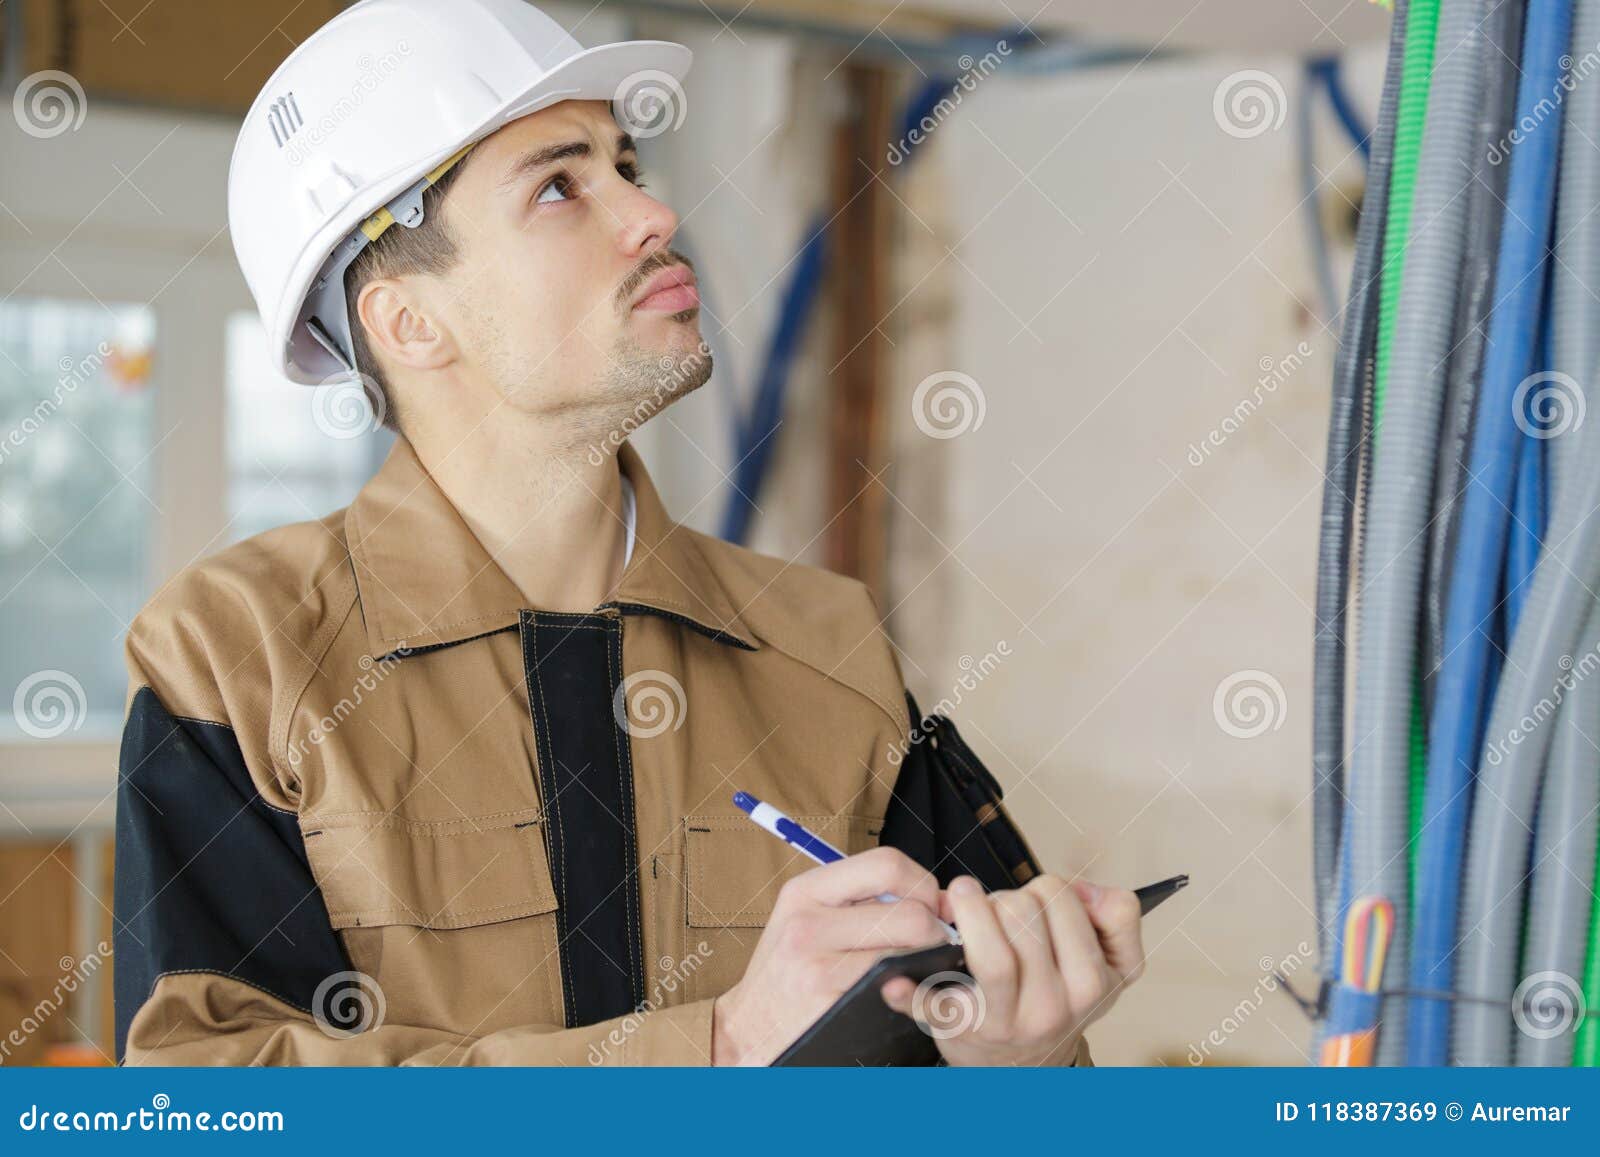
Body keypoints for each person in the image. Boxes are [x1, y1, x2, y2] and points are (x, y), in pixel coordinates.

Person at [113, 0, 1143, 1067]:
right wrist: (721, 1042)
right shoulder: (240, 655)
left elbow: (968, 1051)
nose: (653, 214)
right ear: (411, 319)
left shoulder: (824, 639)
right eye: (561, 185)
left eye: (627, 164)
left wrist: (1017, 1060)